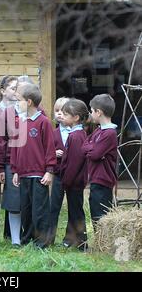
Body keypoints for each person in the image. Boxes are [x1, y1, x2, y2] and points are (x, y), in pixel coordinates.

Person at [11, 83, 56, 248]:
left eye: (19, 100)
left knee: (40, 211)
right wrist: (15, 170)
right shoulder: (19, 122)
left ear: (28, 102)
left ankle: (42, 242)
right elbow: (15, 148)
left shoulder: (43, 122)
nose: (16, 104)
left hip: (39, 175)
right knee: (26, 209)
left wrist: (49, 171)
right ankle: (27, 239)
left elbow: (50, 149)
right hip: (23, 174)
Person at [82, 94, 118, 229]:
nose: (91, 114)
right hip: (96, 179)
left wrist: (93, 150)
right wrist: (93, 149)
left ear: (99, 112)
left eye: (92, 111)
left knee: (101, 215)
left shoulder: (109, 133)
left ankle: (103, 244)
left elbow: (95, 155)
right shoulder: (98, 131)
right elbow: (84, 146)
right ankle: (99, 243)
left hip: (104, 180)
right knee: (94, 212)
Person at [0, 76, 19, 245]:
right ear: (2, 91)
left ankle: (12, 235)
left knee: (17, 198)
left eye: (18, 88)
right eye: (13, 88)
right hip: (0, 159)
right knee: (9, 198)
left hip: (18, 160)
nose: (16, 92)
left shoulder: (22, 110)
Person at [60, 99, 89, 251]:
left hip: (74, 182)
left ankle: (82, 242)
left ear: (76, 117)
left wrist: (66, 180)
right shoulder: (76, 133)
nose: (62, 116)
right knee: (73, 211)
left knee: (77, 212)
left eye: (65, 114)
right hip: (74, 182)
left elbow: (74, 163)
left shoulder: (76, 136)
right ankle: (70, 239)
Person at [49, 97, 70, 244]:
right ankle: (49, 238)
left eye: (63, 111)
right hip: (57, 174)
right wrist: (53, 153)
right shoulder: (52, 132)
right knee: (53, 206)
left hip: (72, 175)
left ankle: (71, 238)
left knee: (74, 207)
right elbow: (45, 150)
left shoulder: (77, 132)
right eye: (57, 111)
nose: (59, 114)